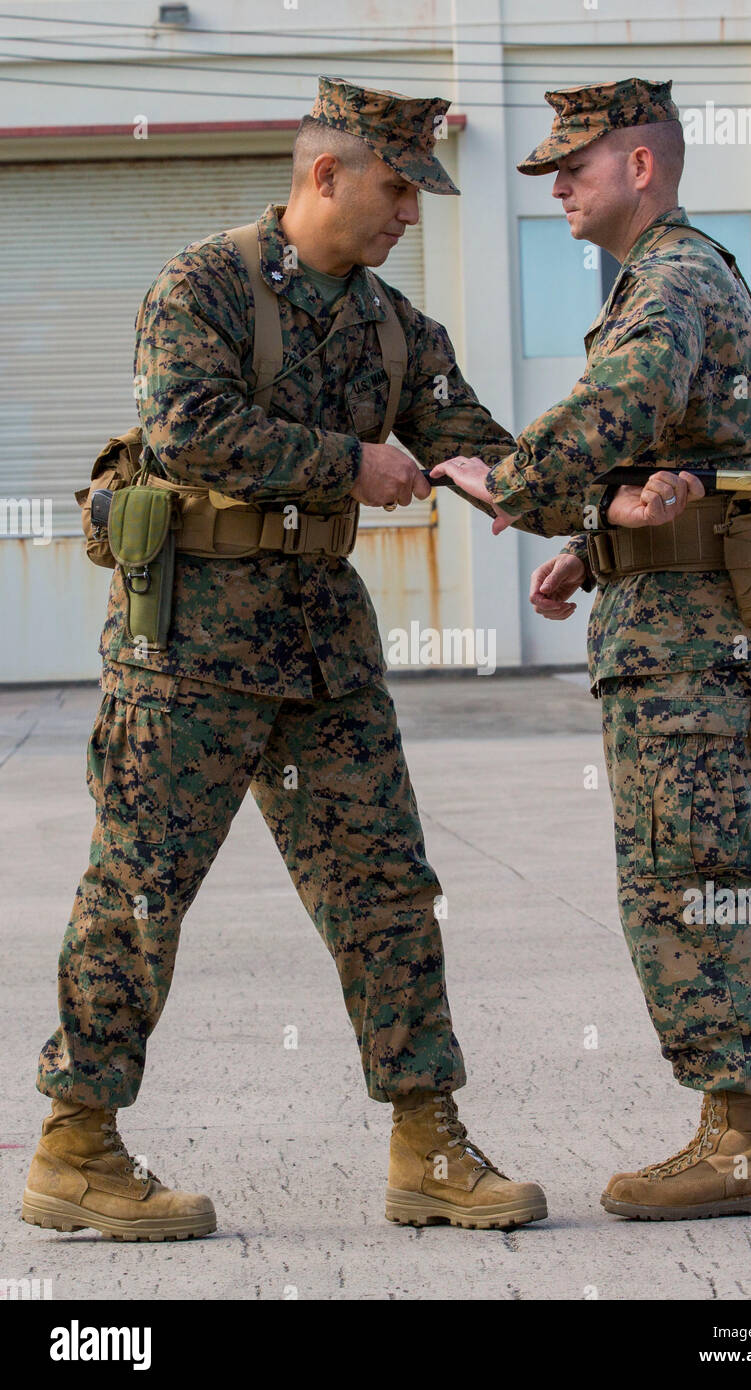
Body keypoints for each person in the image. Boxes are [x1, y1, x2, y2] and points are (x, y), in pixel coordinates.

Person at [23, 77, 552, 1241]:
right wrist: (348, 462)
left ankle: (428, 1145)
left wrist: (595, 497)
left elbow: (480, 450)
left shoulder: (399, 330)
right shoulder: (201, 286)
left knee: (387, 891)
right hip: (188, 651)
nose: (409, 213)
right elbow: (187, 428)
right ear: (325, 174)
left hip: (324, 653)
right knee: (140, 889)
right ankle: (76, 1146)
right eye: (396, 188)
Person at [432, 78, 751, 1221]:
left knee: (687, 878)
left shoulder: (671, 281)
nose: (556, 187)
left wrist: (509, 484)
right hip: (685, 628)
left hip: (695, 647)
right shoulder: (667, 276)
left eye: (573, 166)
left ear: (639, 167)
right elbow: (680, 466)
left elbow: (621, 408)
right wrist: (592, 551)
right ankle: (735, 1128)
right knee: (683, 872)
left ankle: (744, 1140)